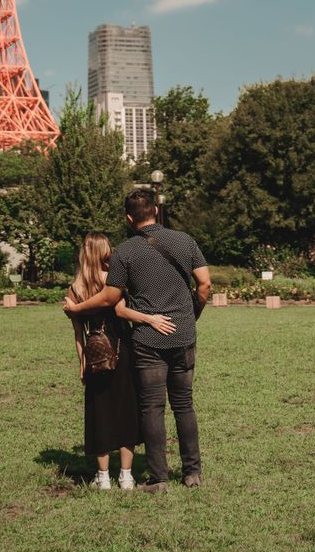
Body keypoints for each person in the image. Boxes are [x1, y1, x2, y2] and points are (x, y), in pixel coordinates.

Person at [64, 189, 212, 491]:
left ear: (129, 218)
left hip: (148, 342)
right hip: (184, 335)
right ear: (156, 211)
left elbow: (110, 297)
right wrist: (190, 316)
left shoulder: (125, 251)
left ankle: (158, 478)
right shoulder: (186, 241)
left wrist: (77, 309)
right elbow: (205, 283)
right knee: (184, 405)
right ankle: (192, 473)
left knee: (152, 408)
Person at [67, 233, 176, 490]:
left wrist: (82, 363)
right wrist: (150, 319)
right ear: (104, 251)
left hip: (96, 355)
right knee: (128, 410)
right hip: (122, 349)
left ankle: (103, 476)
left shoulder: (75, 289)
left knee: (100, 412)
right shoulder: (114, 280)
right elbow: (122, 311)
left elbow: (78, 334)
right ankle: (126, 475)